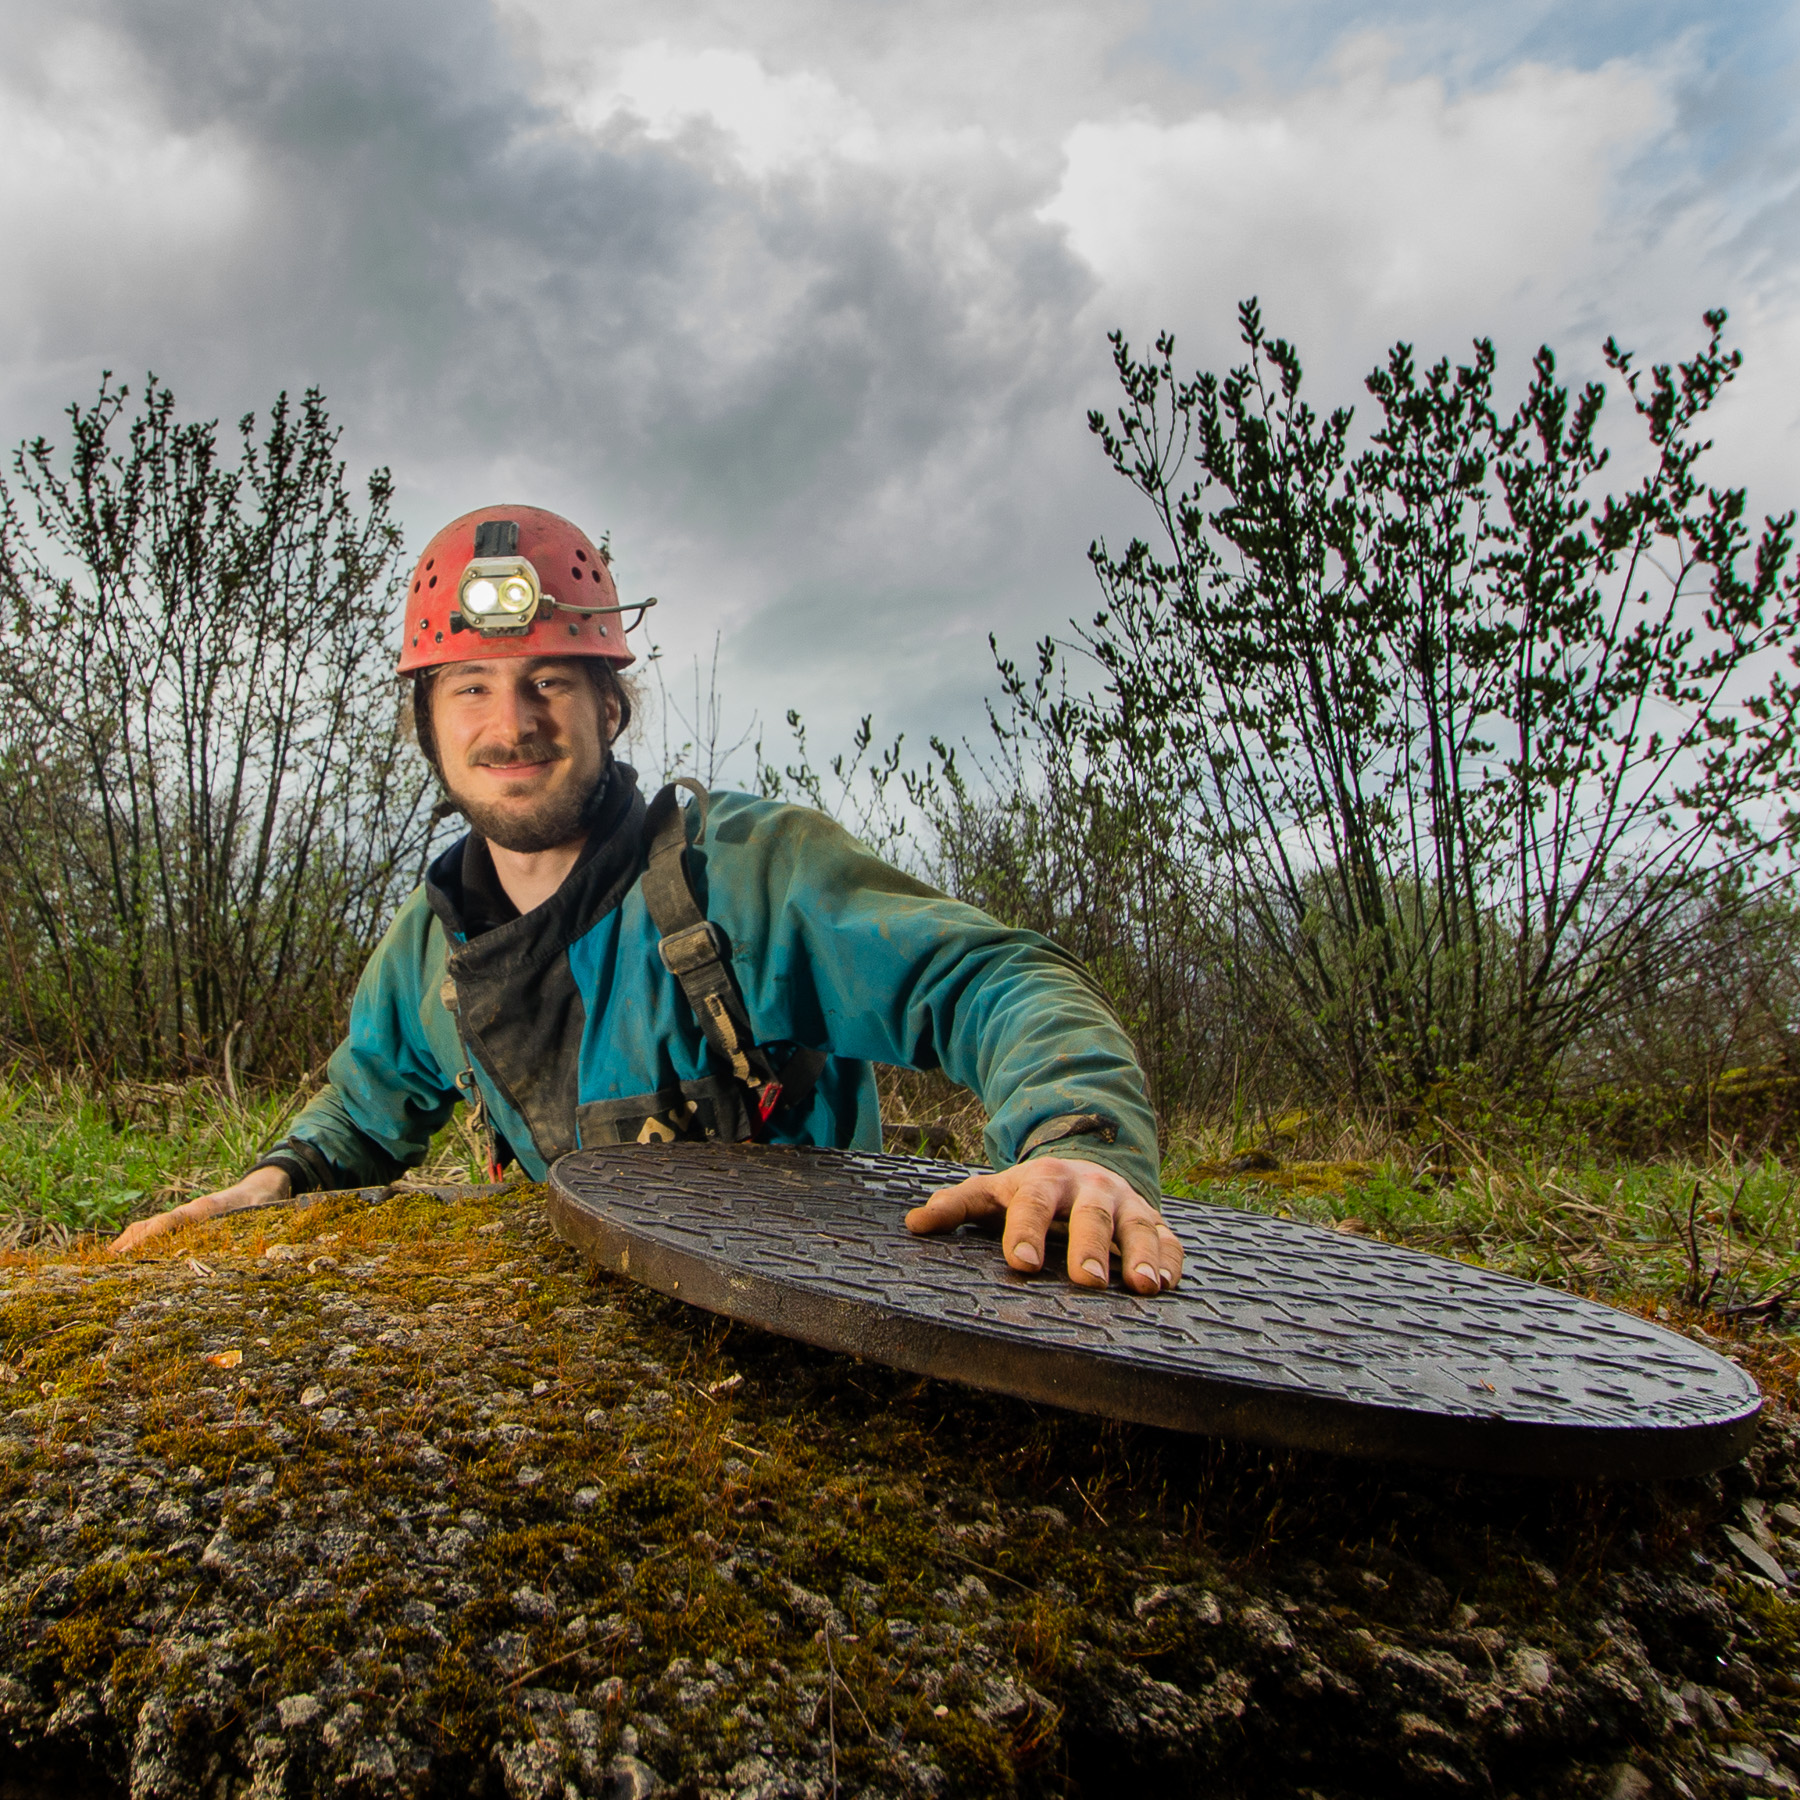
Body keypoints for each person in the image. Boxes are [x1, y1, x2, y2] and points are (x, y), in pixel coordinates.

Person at [111, 506, 1183, 1293]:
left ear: (608, 706)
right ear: (428, 725)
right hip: (574, 1351)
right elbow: (360, 1116)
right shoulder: (427, 949)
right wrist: (277, 1180)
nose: (512, 721)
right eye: (472, 687)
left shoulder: (746, 874)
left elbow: (991, 977)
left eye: (550, 681)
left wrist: (1073, 1142)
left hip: (813, 1323)